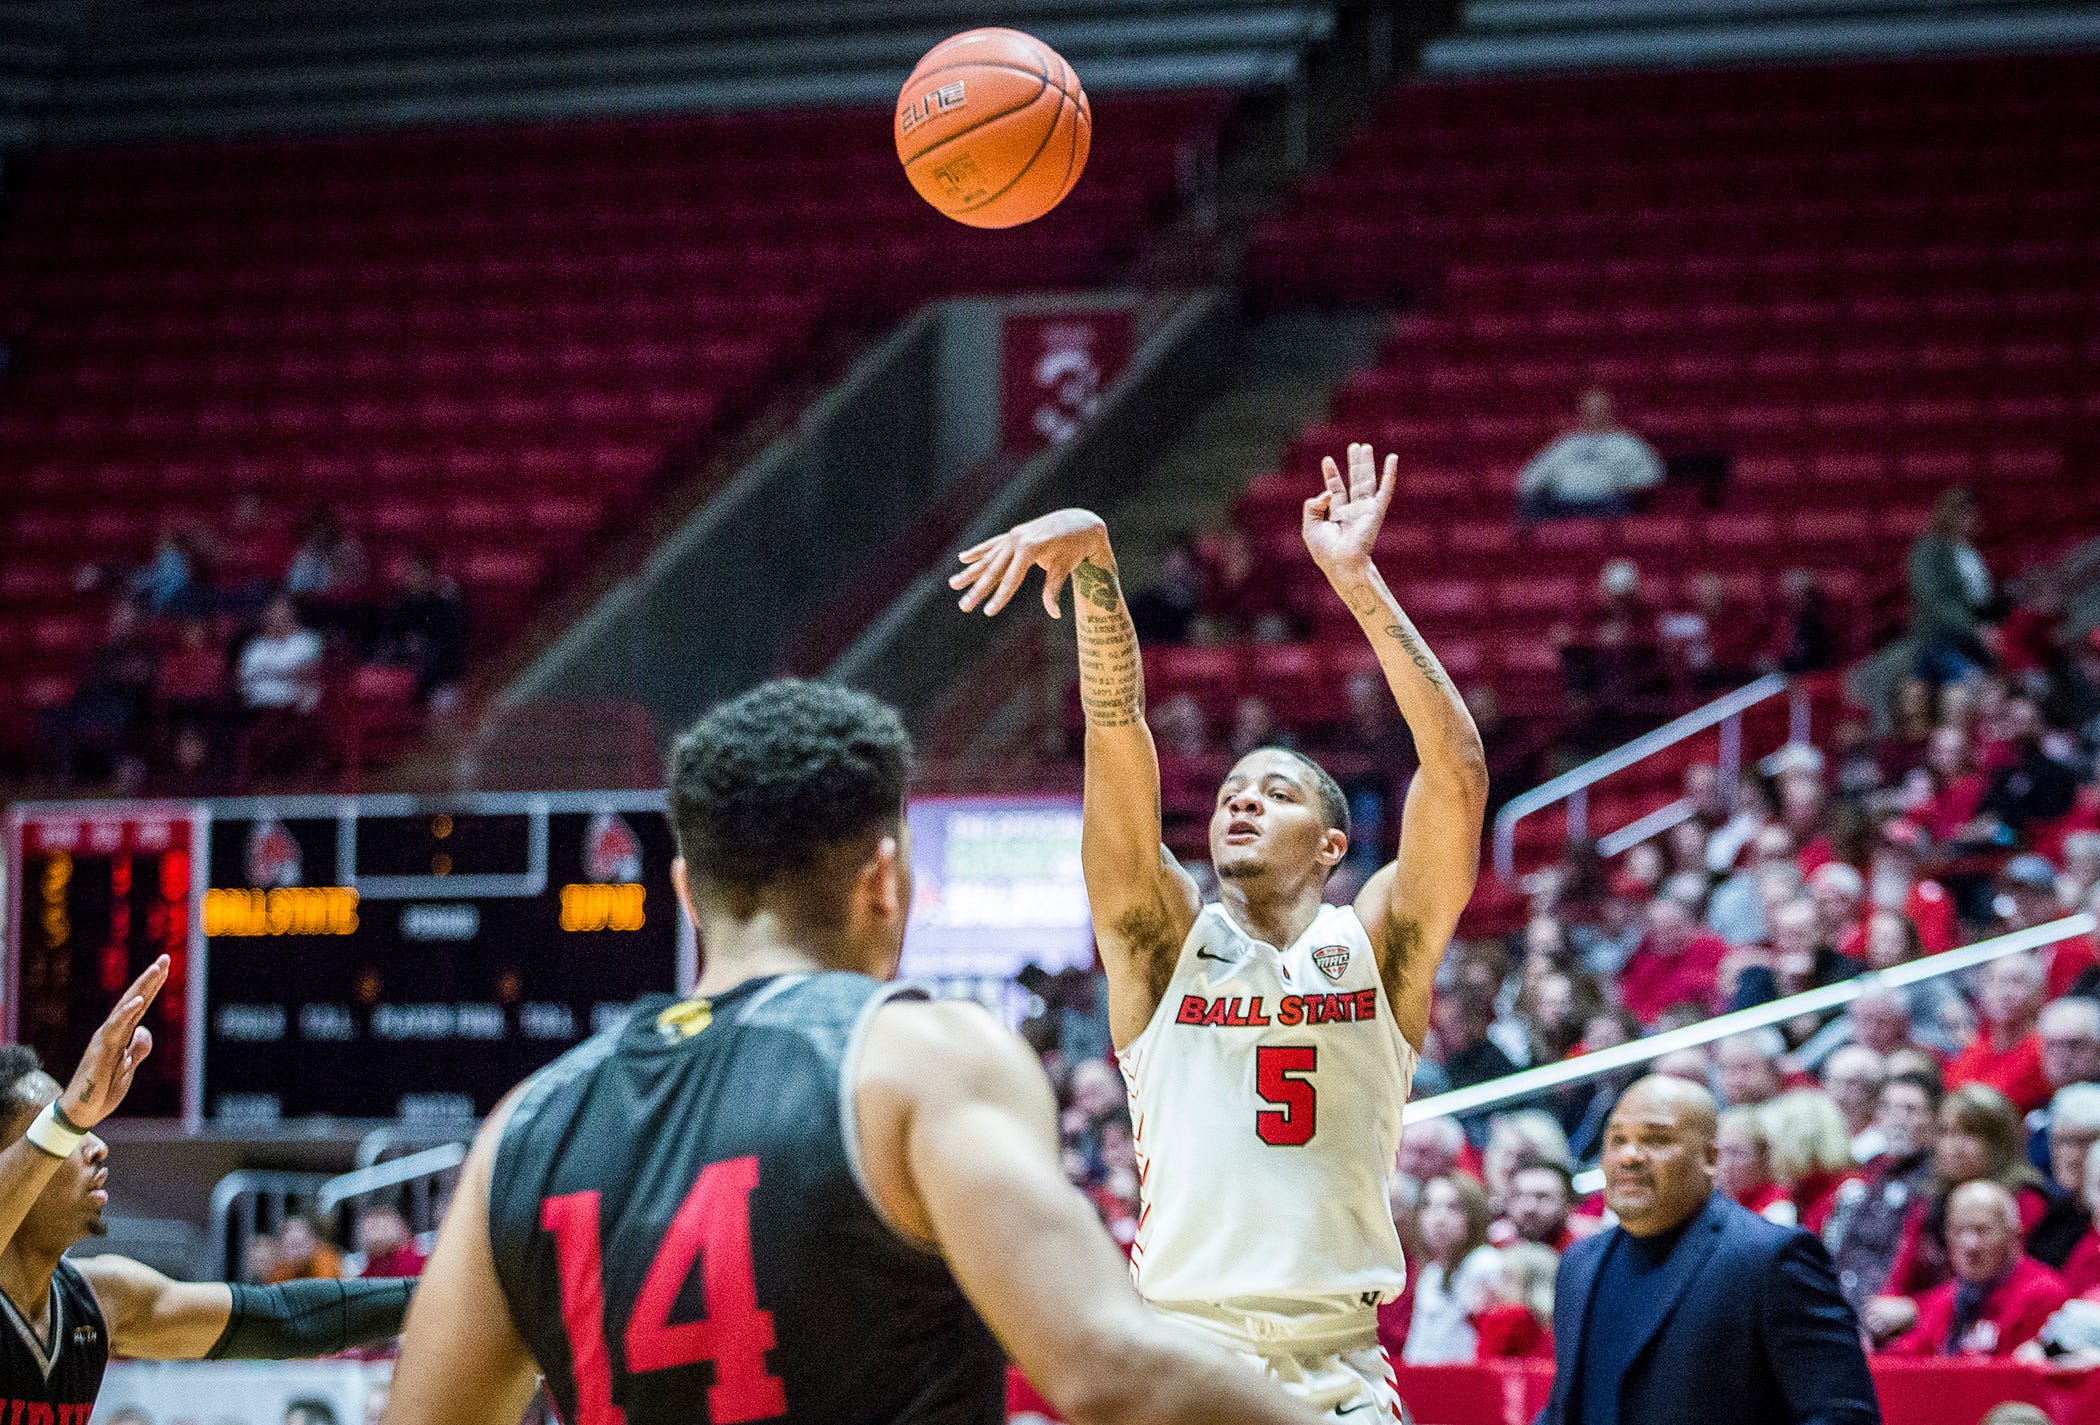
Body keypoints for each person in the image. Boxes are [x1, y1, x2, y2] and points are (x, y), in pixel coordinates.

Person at [382, 681, 1328, 1425]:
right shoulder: (917, 1059)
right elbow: (1106, 1366)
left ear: (684, 889)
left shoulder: (525, 1124)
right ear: (885, 878)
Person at [949, 443, 1487, 1417]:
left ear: (1331, 844)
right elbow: (1119, 739)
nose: (1240, 804)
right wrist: (1098, 573)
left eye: (1274, 794)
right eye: (1233, 793)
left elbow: (1456, 778)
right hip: (1190, 1353)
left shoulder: (1378, 945)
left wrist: (1359, 585)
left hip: (1342, 1368)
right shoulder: (1163, 946)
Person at [0, 960, 412, 1425]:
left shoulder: (99, 1301)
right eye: (66, 1132)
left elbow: (284, 1320)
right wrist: (66, 1117)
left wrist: (435, 1293)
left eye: (81, 1126)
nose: (95, 1145)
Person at [1538, 1076, 1878, 1425]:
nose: (1629, 1156)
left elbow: (1843, 1416)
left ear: (1710, 1158)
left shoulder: (1771, 1258)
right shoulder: (1578, 1264)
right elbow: (1567, 1411)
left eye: (1656, 1139)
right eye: (1617, 1140)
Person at [1881, 1181, 2069, 1357]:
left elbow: (2016, 1379)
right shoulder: (1946, 1299)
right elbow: (1905, 1358)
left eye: (1983, 1230)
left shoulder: (2042, 1295)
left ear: (2014, 1236)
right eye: (1959, 1230)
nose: (1970, 1245)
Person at [1825, 1069, 1942, 1314]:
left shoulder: (1939, 1184)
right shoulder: (1865, 1172)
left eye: (1910, 1110)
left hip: (1896, 1316)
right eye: (1887, 1108)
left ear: (1934, 1119)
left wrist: (1914, 1307)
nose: (1897, 1119)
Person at [1516, 387, 1663, 522]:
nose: (1594, 415)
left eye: (1600, 410)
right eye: (1589, 410)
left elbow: (1653, 475)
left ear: (1610, 411)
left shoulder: (1628, 442)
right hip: (1562, 505)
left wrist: (1623, 485)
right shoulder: (1566, 443)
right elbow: (1530, 477)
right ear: (1581, 412)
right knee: (1530, 505)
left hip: (1607, 504)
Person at [1400, 1176, 1500, 1365]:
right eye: (1429, 1207)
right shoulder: (1431, 1273)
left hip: (1469, 1382)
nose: (1439, 1219)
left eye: (1453, 1208)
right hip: (1430, 1382)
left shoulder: (1486, 1264)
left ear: (1475, 1215)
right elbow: (1417, 1350)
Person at [1908, 487, 1993, 685]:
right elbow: (1931, 599)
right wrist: (1973, 628)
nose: (1974, 519)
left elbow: (1981, 598)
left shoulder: (1971, 552)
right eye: (1968, 513)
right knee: (1974, 683)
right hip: (1940, 637)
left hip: (1972, 636)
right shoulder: (1928, 550)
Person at [1948, 956, 2051, 1112]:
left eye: (2017, 982)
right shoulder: (1974, 1048)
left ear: (2038, 994)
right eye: (1995, 982)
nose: (2005, 993)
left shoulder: (2043, 1051)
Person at [238, 597, 324, 714]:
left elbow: (308, 673)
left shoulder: (307, 640)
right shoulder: (254, 645)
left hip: (294, 709)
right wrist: (285, 672)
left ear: (291, 612)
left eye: (281, 609)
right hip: (258, 708)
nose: (277, 615)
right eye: (273, 610)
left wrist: (265, 672)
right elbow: (241, 678)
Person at [1501, 1162, 1577, 1252]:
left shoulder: (1583, 1256)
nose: (1529, 1207)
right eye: (1520, 1195)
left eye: (1543, 1197)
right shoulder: (1494, 1249)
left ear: (1567, 1206)